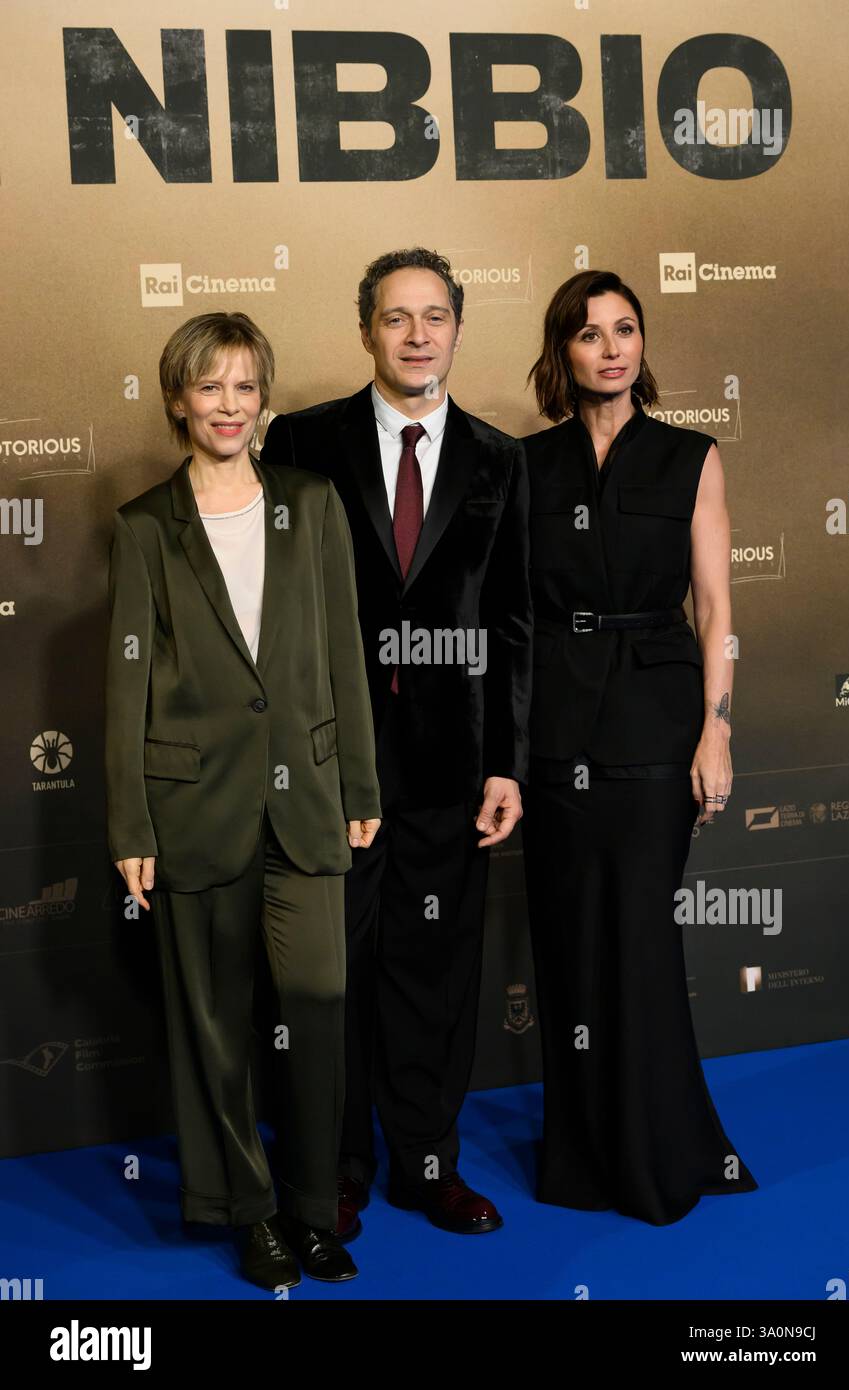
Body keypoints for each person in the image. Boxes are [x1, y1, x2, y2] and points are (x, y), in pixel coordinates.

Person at [104, 311, 381, 1289]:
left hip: (304, 800)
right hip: (191, 809)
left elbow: (342, 647)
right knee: (215, 1027)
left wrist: (358, 780)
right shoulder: (144, 526)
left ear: (264, 397)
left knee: (316, 1011)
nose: (229, 404)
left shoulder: (309, 503)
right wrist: (130, 823)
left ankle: (313, 1208)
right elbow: (125, 684)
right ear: (178, 397)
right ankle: (247, 1210)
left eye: (245, 385)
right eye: (210, 386)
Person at [260, 248, 532, 1238]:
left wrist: (505, 761)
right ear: (365, 330)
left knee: (433, 975)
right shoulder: (300, 438)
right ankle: (333, 1172)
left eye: (432, 316)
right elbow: (273, 614)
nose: (415, 334)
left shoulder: (501, 461)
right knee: (330, 980)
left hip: (447, 771)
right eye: (394, 317)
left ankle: (425, 1167)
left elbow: (510, 625)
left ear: (457, 327)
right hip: (332, 769)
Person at [520, 269, 758, 1225]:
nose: (611, 347)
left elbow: (716, 605)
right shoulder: (524, 466)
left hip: (659, 725)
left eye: (627, 329)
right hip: (553, 730)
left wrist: (717, 726)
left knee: (643, 944)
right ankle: (582, 1159)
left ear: (643, 346)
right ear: (562, 352)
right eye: (589, 333)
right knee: (571, 945)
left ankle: (662, 1150)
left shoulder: (691, 457)